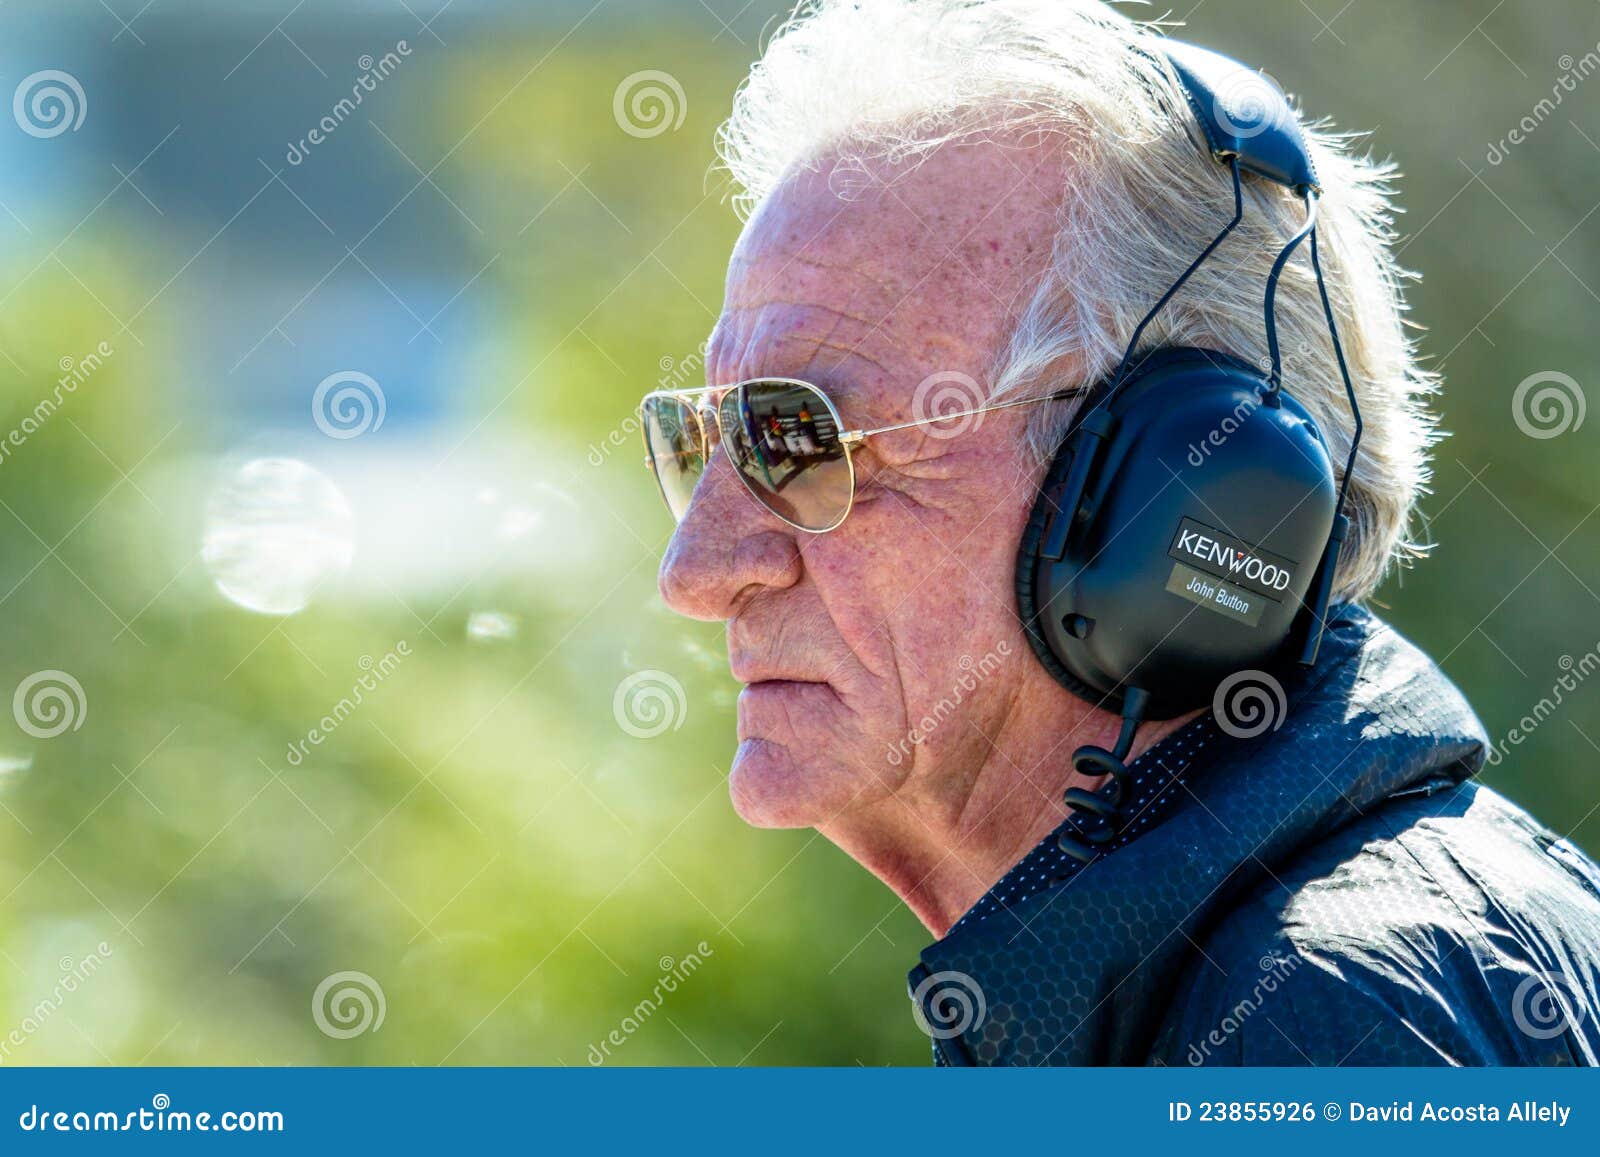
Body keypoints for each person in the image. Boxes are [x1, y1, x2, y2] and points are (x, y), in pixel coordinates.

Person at [643, 0, 1600, 1065]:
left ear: (1180, 495)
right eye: (708, 442)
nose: (697, 571)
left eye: (807, 443)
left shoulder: (1335, 1019)